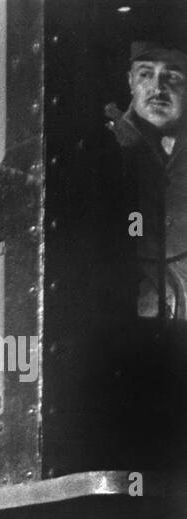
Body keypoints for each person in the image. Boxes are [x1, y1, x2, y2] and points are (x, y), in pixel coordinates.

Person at [105, 39, 186, 319]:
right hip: (128, 305)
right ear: (130, 81)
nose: (157, 88)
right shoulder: (103, 148)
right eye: (145, 74)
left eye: (172, 76)